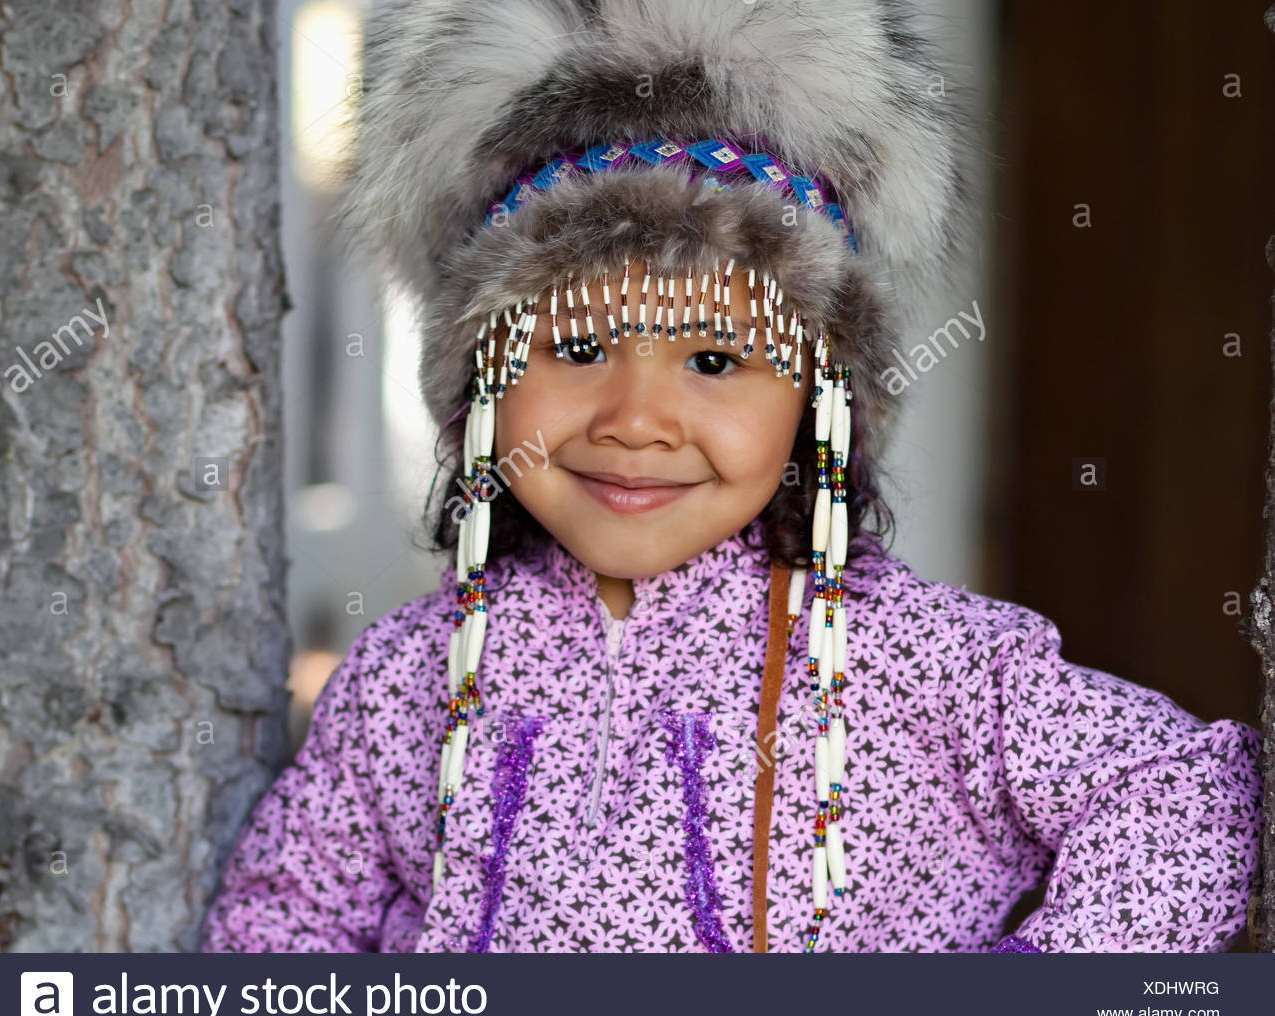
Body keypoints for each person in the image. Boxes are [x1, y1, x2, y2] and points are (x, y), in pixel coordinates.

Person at [199, 0, 1261, 953]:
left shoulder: (921, 664)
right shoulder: (405, 679)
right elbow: (283, 922)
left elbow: (1181, 795)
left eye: (714, 361)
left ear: (818, 399)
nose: (637, 420)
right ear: (479, 382)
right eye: (574, 349)